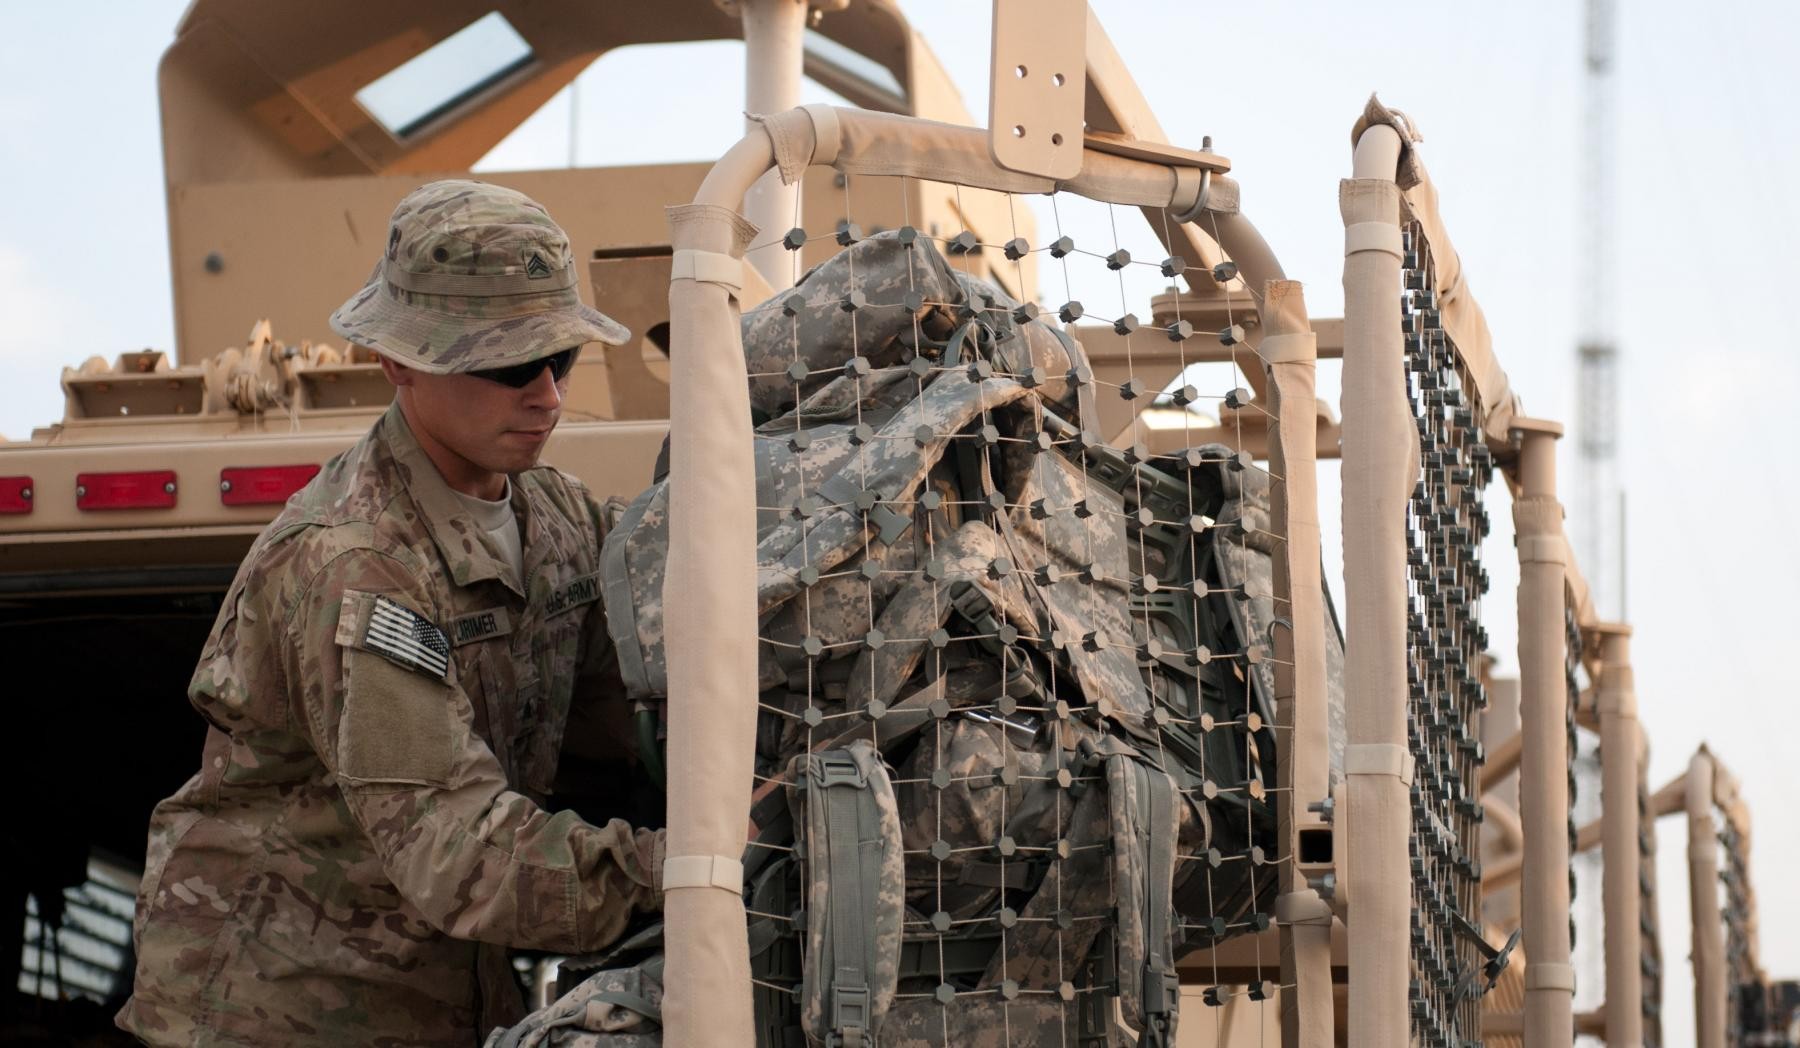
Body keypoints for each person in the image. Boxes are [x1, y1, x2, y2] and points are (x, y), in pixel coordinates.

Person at [117, 180, 664, 1047]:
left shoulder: (559, 519)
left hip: (444, 994)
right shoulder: (354, 562)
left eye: (558, 358)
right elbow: (462, 856)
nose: (549, 396)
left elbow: (625, 715)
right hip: (280, 1013)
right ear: (399, 362)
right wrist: (689, 866)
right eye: (507, 365)